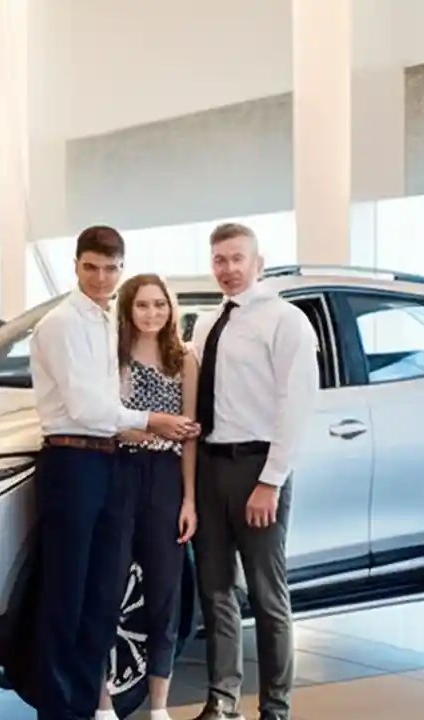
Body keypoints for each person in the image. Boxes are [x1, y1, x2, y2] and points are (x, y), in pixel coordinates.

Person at [29, 225, 199, 720]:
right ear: (76, 266)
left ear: (119, 269)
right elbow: (85, 406)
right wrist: (150, 421)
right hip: (71, 460)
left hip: (105, 461)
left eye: (110, 268)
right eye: (91, 267)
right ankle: (59, 712)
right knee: (65, 594)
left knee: (98, 598)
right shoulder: (61, 323)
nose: (101, 277)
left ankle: (86, 707)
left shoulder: (106, 323)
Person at [188, 223, 319, 720]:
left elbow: (298, 404)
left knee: (266, 594)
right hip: (212, 468)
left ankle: (275, 707)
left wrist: (271, 480)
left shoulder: (285, 321)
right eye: (219, 259)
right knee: (215, 589)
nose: (228, 268)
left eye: (237, 258)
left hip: (256, 470)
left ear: (258, 262)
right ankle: (222, 702)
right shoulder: (206, 323)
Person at [94, 274, 200, 720]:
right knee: (106, 590)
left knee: (164, 593)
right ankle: (103, 704)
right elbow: (105, 422)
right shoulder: (110, 356)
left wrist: (189, 499)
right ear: (128, 310)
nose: (152, 313)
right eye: (142, 305)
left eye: (160, 305)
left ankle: (159, 707)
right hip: (119, 472)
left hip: (166, 478)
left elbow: (189, 433)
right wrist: (153, 424)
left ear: (170, 309)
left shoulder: (184, 359)